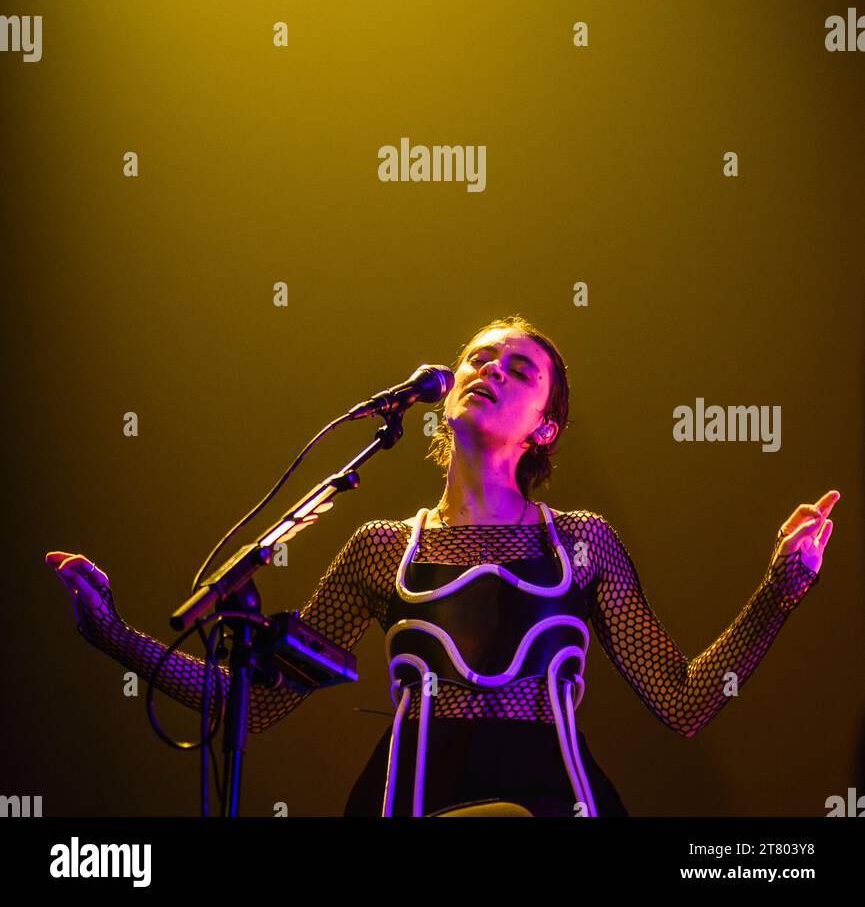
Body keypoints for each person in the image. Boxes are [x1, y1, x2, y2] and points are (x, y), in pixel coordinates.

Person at [47, 313, 838, 817]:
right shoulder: (380, 548)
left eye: (518, 369)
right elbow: (254, 705)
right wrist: (110, 632)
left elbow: (685, 702)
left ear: (546, 429)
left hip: (553, 800)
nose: (489, 369)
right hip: (410, 799)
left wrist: (781, 585)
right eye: (478, 358)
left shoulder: (582, 544)